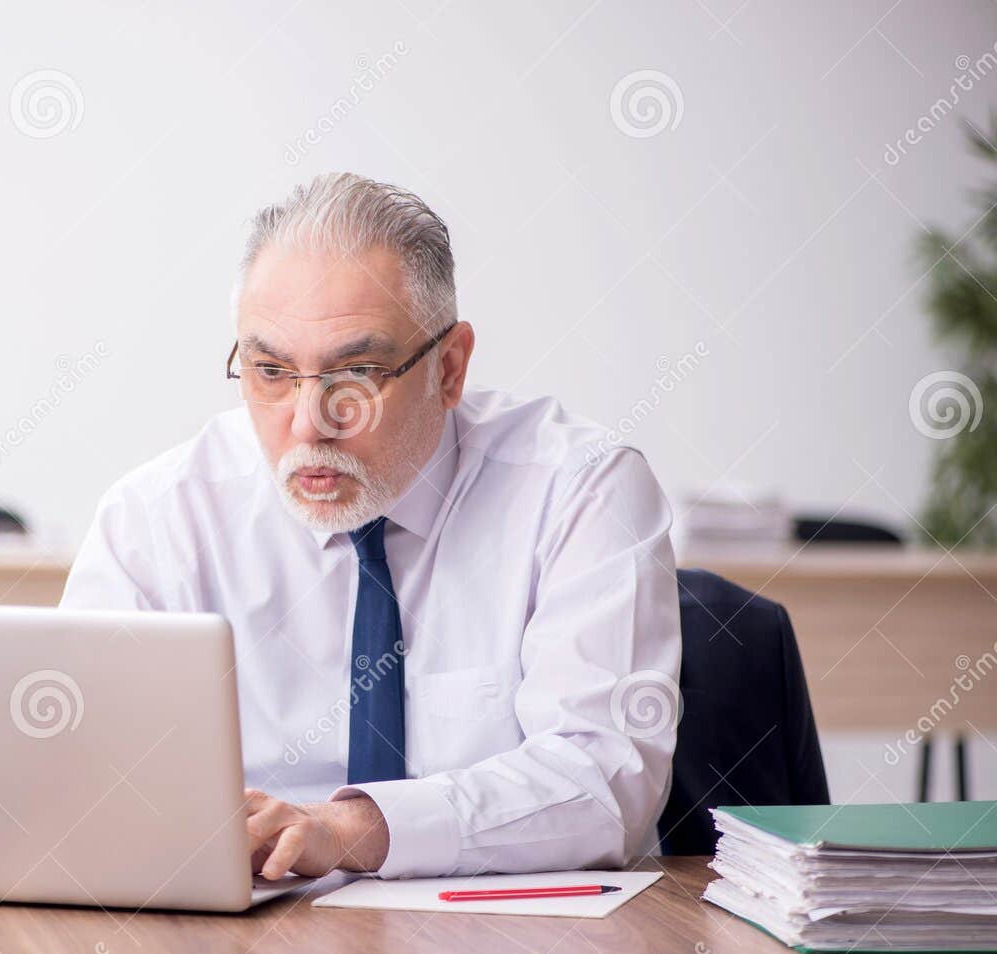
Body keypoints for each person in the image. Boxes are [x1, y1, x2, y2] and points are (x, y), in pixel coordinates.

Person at [61, 173, 681, 882]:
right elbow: (86, 781)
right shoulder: (159, 516)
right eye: (270, 371)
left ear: (449, 369)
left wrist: (354, 831)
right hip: (246, 947)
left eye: (355, 373)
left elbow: (604, 779)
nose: (308, 423)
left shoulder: (580, 489)